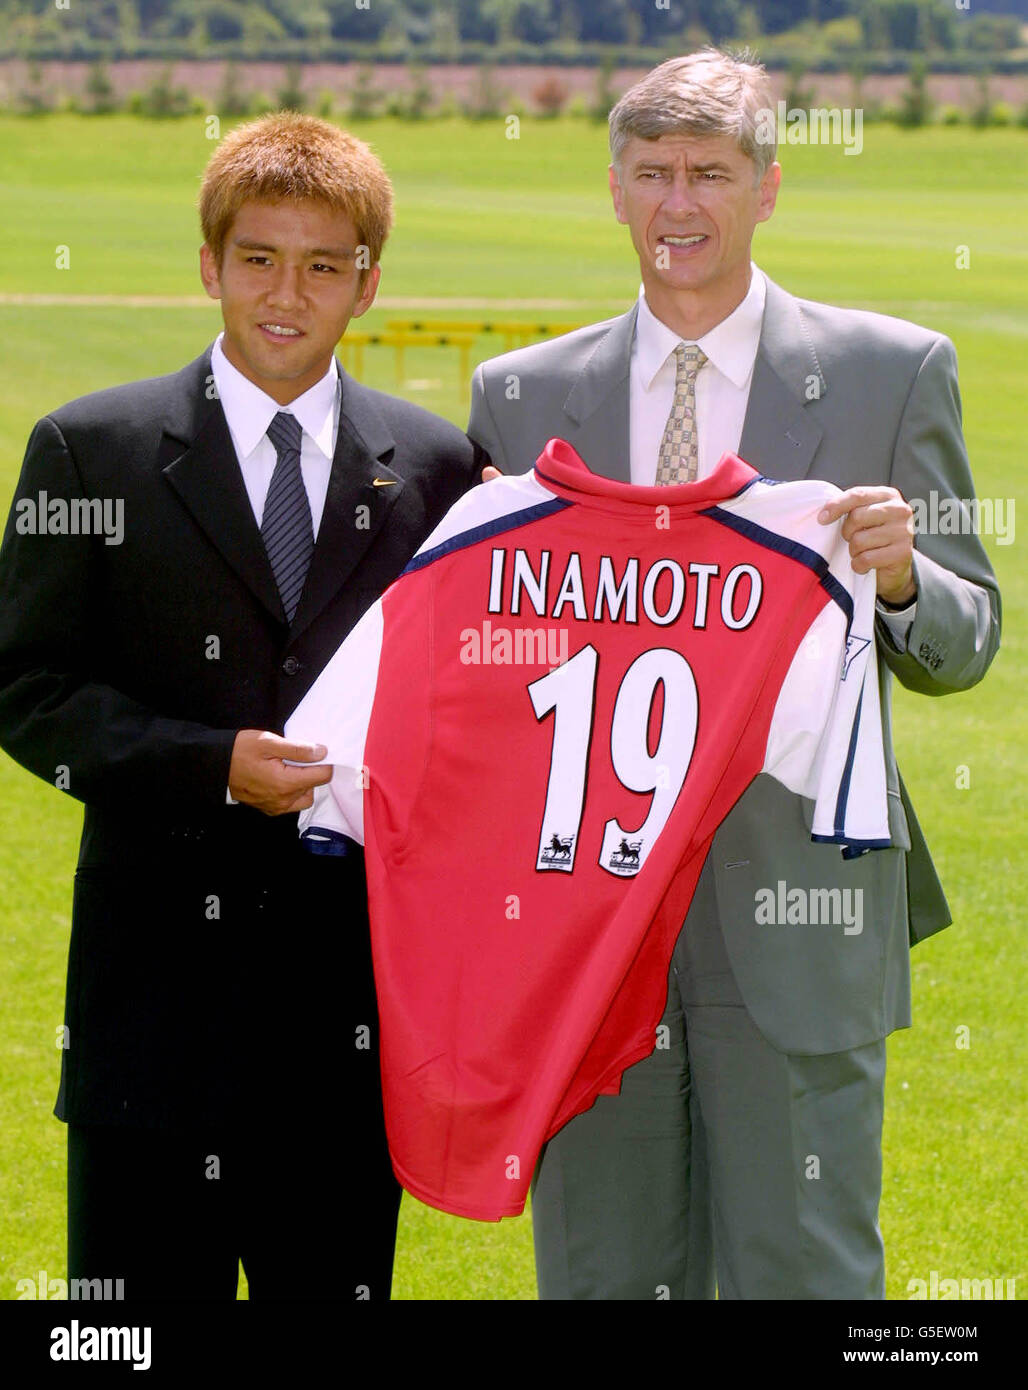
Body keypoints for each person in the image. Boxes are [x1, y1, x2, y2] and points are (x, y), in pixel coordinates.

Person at [468, 49, 1000, 1300]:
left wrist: (904, 578)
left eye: (710, 172)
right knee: (603, 1272)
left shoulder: (890, 369)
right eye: (651, 173)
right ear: (612, 191)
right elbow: (482, 678)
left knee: (798, 1271)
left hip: (799, 904)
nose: (678, 204)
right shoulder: (519, 396)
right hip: (584, 921)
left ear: (766, 187)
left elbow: (967, 643)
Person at [0, 112, 491, 1301]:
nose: (289, 292)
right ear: (209, 264)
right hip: (148, 1018)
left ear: (367, 283)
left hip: (347, 1025)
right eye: (260, 258)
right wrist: (210, 765)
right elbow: (27, 689)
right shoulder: (90, 451)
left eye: (325, 265)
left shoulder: (436, 468)